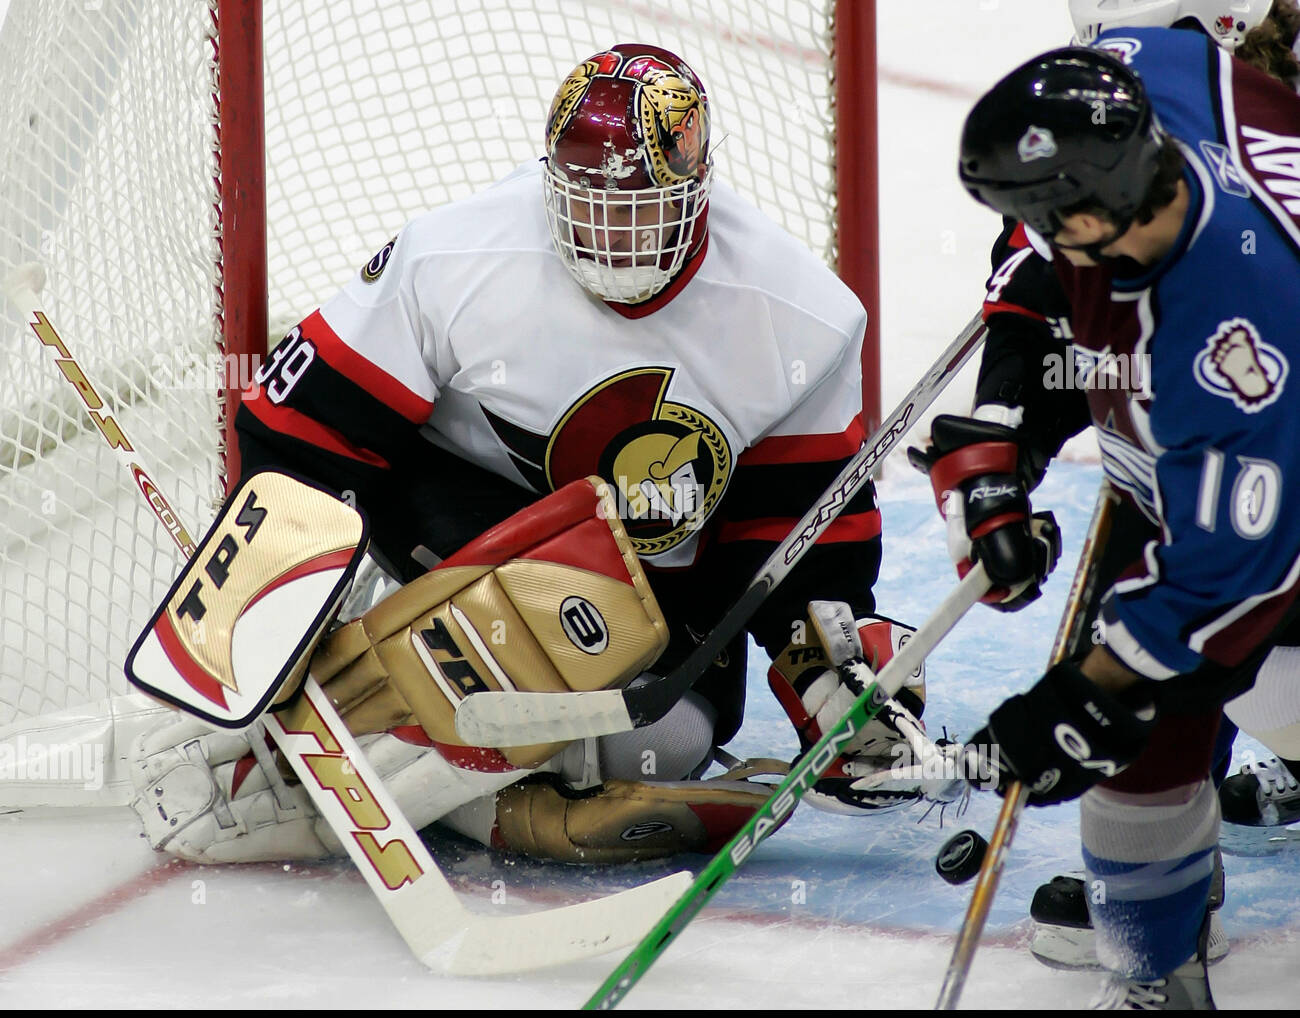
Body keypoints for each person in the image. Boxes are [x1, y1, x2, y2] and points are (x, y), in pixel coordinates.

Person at [129, 43, 945, 870]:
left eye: (636, 208)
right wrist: (269, 625)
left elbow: (796, 535)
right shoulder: (453, 256)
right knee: (546, 608)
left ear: (698, 190)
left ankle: (482, 798)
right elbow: (299, 430)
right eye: (586, 203)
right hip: (456, 522)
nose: (608, 235)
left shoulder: (803, 315)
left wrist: (828, 679)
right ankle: (339, 736)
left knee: (665, 739)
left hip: (661, 595)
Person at [930, 26, 1300, 1009]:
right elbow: (1037, 269)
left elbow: (1223, 588)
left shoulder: (1237, 339)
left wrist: (1076, 701)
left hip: (1269, 511)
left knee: (1177, 695)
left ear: (1093, 215)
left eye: (1050, 220)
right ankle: (1161, 977)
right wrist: (1006, 432)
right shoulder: (1144, 84)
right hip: (1205, 476)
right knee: (1137, 754)